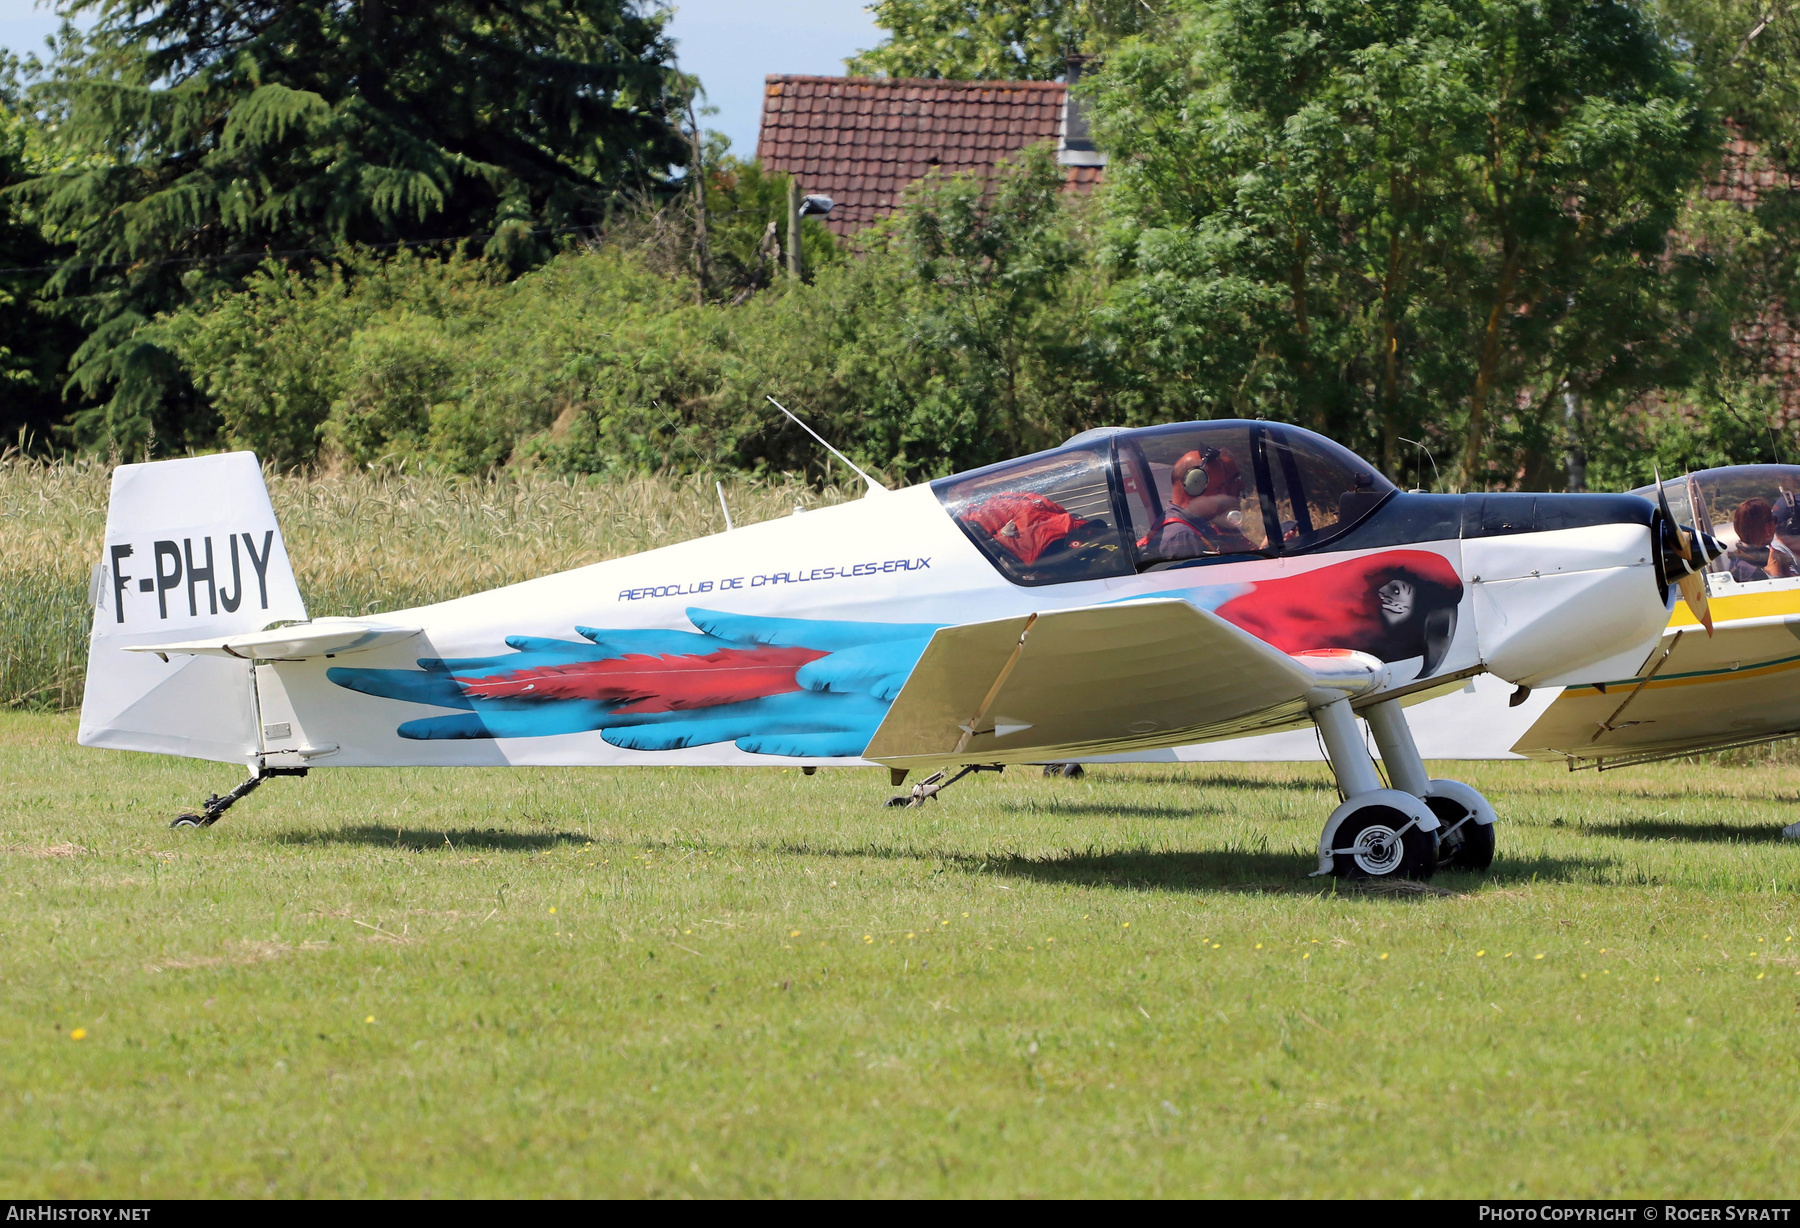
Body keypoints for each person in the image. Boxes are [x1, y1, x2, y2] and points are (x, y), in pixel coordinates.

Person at [1139, 448, 1257, 561]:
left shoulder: (1196, 525)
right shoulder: (1182, 537)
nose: (1224, 493)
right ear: (1194, 486)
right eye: (1219, 487)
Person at [1725, 497, 1796, 583]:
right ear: (1767, 528)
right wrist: (1775, 575)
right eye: (1774, 520)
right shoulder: (1748, 570)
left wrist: (1786, 571)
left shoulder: (1739, 560)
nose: (1775, 525)